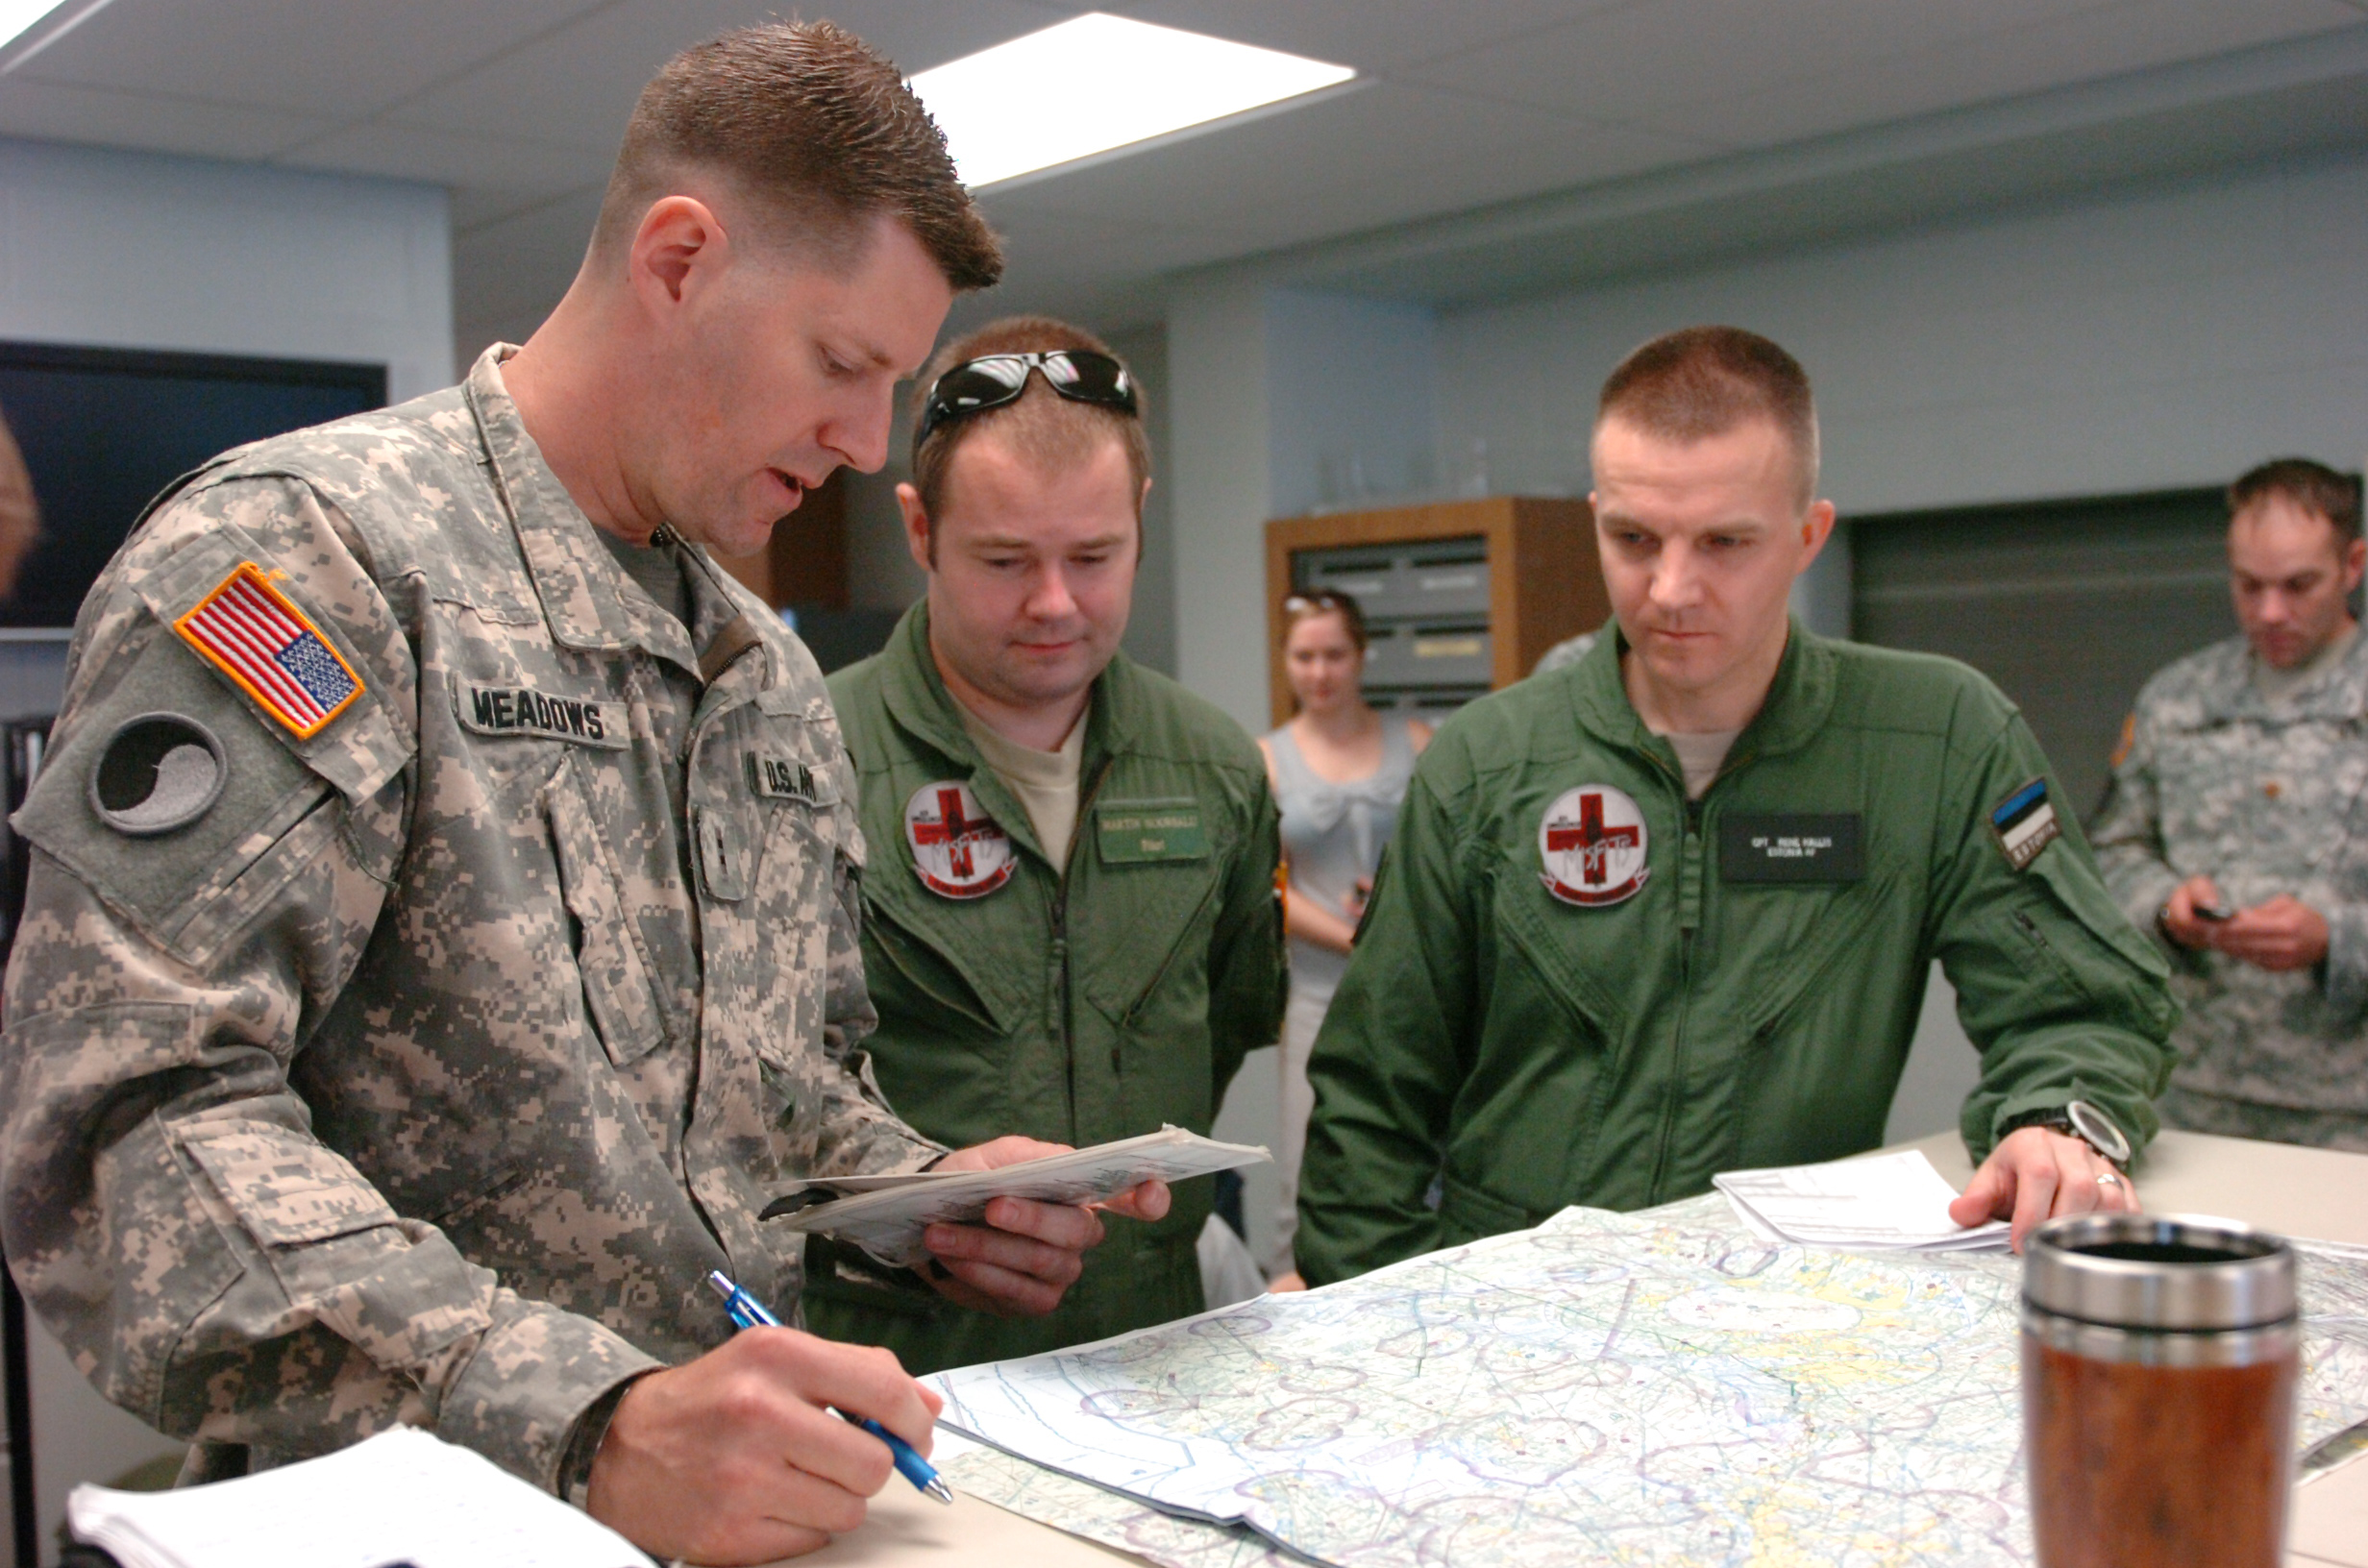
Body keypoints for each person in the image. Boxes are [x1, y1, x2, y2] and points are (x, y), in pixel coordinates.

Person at [0, 27, 1164, 1567]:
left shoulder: (757, 666)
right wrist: (585, 1414)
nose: (868, 440)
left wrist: (919, 1193)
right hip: (408, 1519)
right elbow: (127, 1121)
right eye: (841, 364)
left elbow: (775, 1101)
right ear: (680, 261)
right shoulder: (313, 567)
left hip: (756, 1518)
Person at [1295, 326, 2178, 1285]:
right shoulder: (1485, 762)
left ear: (1808, 535)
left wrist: (2056, 1118)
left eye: (1724, 542)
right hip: (1516, 1303)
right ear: (1594, 518)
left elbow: (2084, 1002)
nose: (1671, 589)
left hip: (1781, 1305)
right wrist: (1380, 1320)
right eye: (1632, 539)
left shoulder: (1937, 739)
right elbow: (1373, 1094)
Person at [805, 318, 1286, 1371]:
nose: (1055, 603)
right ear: (919, 529)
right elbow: (738, 1118)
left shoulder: (1213, 767)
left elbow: (1235, 1018)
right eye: (1006, 559)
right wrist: (917, 1228)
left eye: (1094, 556)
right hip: (897, 1363)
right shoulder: (798, 760)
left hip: (1151, 1350)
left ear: (1141, 522)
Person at [2092, 459, 2368, 1150]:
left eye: (2298, 585)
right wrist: (2164, 903)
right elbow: (2108, 850)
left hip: (2352, 1112)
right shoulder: (2178, 699)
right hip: (2193, 1096)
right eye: (2250, 586)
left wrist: (2336, 937)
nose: (2270, 612)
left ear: (2354, 565)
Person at [1257, 590, 1427, 1287]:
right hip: (1316, 989)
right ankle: (1295, 1287)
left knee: (1419, 1143)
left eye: (1333, 654)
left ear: (1360, 657)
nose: (1319, 672)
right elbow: (1268, 887)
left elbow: (1440, 862)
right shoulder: (1265, 759)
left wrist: (1395, 905)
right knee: (1307, 1149)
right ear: (1287, 662)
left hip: (1409, 990)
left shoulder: (1418, 743)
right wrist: (1358, 937)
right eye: (1304, 656)